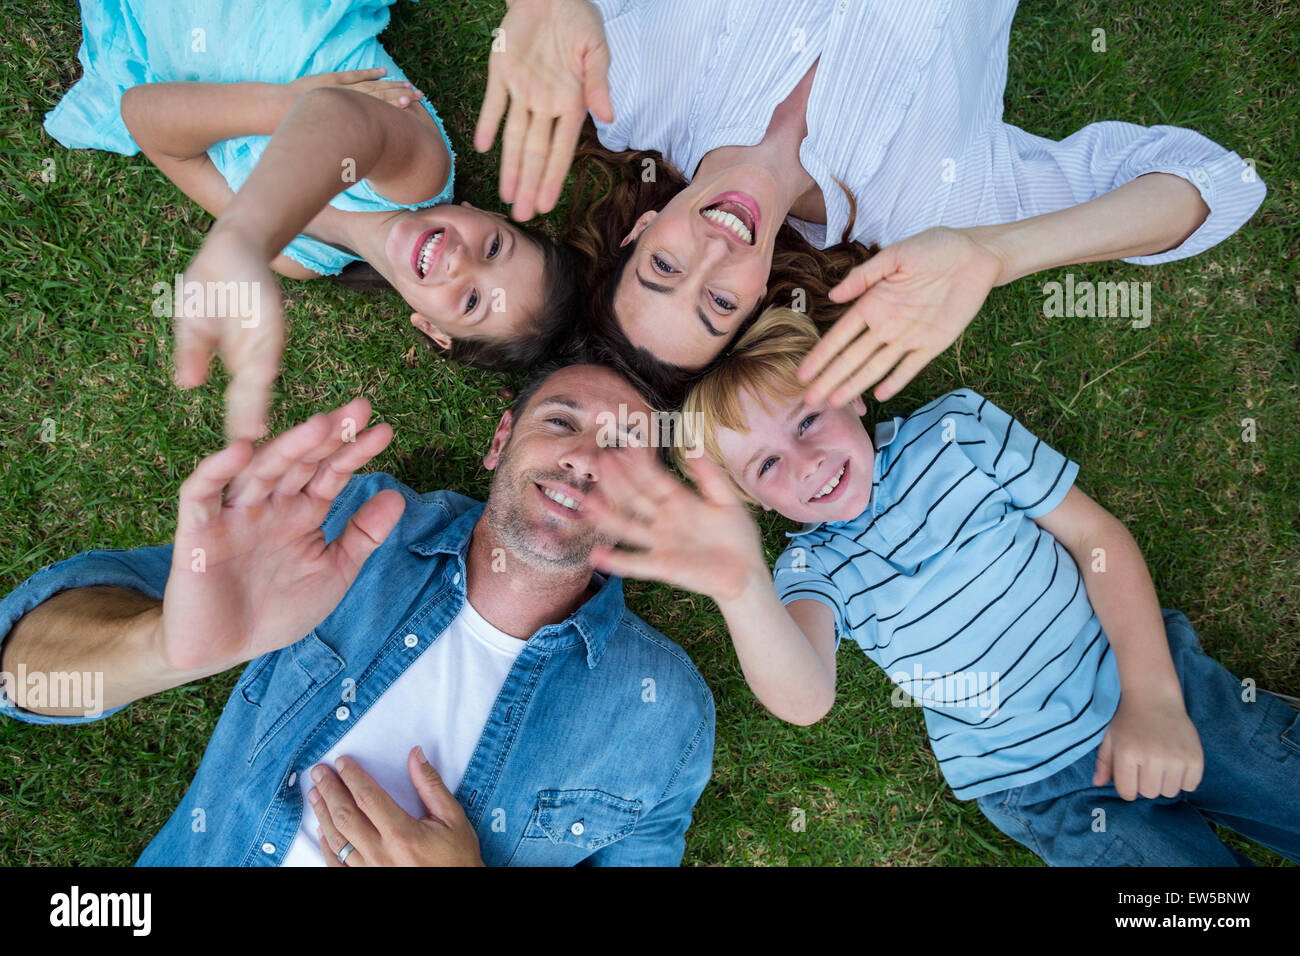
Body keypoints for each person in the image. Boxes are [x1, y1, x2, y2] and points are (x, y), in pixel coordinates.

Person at [580, 307, 1300, 866]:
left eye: (807, 420)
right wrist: (741, 590)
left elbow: (1097, 539)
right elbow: (806, 697)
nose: (804, 463)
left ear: (853, 396)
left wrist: (1152, 698)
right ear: (755, 505)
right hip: (1048, 786)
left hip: (1152, 681)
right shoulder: (810, 571)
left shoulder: (954, 431)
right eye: (766, 468)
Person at [0, 361, 714, 866]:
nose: (585, 459)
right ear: (500, 441)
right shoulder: (356, 522)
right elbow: (21, 672)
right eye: (562, 422)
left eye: (622, 452)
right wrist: (164, 649)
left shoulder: (665, 715)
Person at [476, 0, 1265, 405]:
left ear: (641, 228)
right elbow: (1215, 187)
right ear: (759, 301)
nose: (715, 251)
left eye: (665, 266)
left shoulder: (626, 93)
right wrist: (999, 255)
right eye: (717, 300)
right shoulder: (925, 209)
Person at [45, 0, 581, 440]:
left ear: (433, 331)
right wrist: (247, 222)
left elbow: (142, 115)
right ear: (482, 213)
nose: (461, 261)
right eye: (494, 250)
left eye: (471, 302)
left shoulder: (300, 258)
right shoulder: (419, 172)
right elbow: (339, 117)